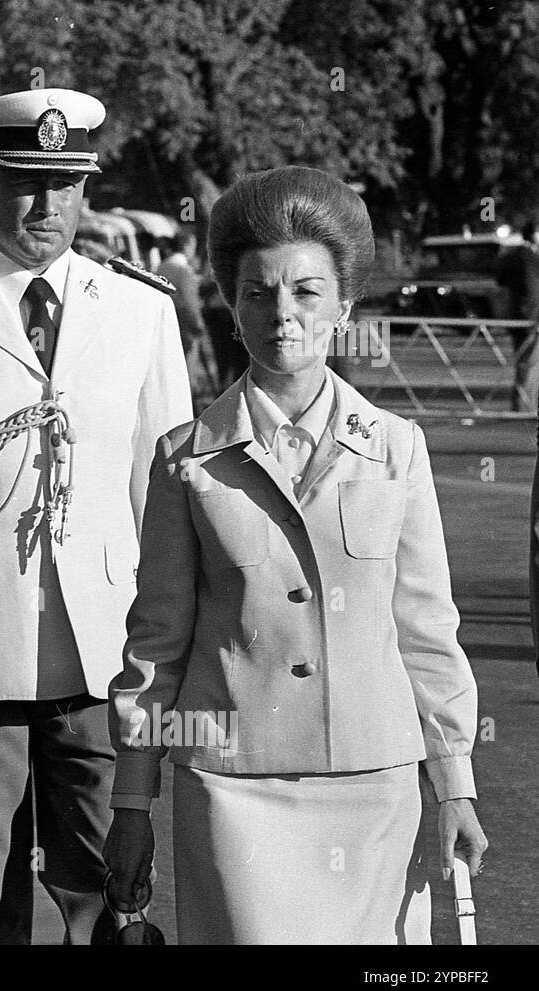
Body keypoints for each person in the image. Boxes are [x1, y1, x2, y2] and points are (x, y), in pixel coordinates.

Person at [104, 166, 488, 944]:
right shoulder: (185, 459)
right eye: (258, 292)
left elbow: (426, 630)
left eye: (307, 291)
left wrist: (455, 784)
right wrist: (131, 801)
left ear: (344, 306)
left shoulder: (398, 449)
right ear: (231, 305)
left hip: (377, 789)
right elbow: (155, 646)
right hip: (232, 792)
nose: (283, 313)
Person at [0, 88, 191, 944]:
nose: (46, 204)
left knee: (112, 900)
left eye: (65, 183)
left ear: (86, 188)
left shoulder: (141, 309)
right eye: (23, 181)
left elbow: (164, 500)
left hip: (105, 661)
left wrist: (167, 657)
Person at [496, 221, 539, 412]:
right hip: (529, 317)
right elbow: (530, 289)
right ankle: (521, 404)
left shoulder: (512, 256)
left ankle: (521, 403)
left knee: (525, 361)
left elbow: (500, 279)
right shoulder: (531, 257)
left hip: (519, 314)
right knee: (526, 362)